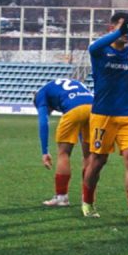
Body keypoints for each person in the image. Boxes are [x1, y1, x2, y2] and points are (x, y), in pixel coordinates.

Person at [82, 13, 128, 224]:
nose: (127, 32)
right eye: (123, 27)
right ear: (112, 27)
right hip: (102, 115)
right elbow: (92, 48)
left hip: (127, 115)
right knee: (98, 161)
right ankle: (87, 201)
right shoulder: (100, 50)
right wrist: (120, 31)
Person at [33, 78, 93, 207]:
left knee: (63, 153)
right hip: (94, 108)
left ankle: (61, 198)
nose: (50, 112)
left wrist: (45, 152)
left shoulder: (41, 94)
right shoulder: (59, 87)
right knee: (88, 156)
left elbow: (43, 122)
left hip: (74, 109)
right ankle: (87, 199)